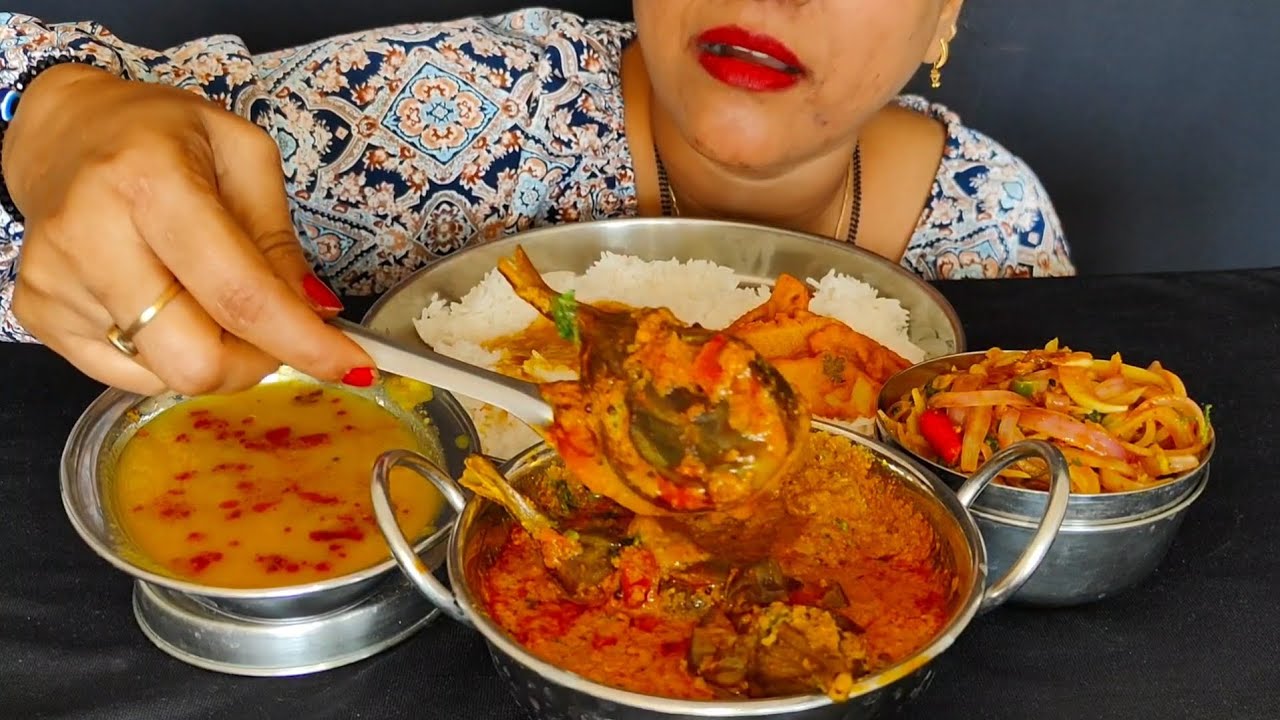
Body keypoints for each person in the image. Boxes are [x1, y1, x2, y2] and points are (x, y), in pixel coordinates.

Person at [0, 2, 1074, 398]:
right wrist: (55, 119)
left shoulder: (994, 227)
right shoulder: (444, 110)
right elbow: (55, 98)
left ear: (944, 19)